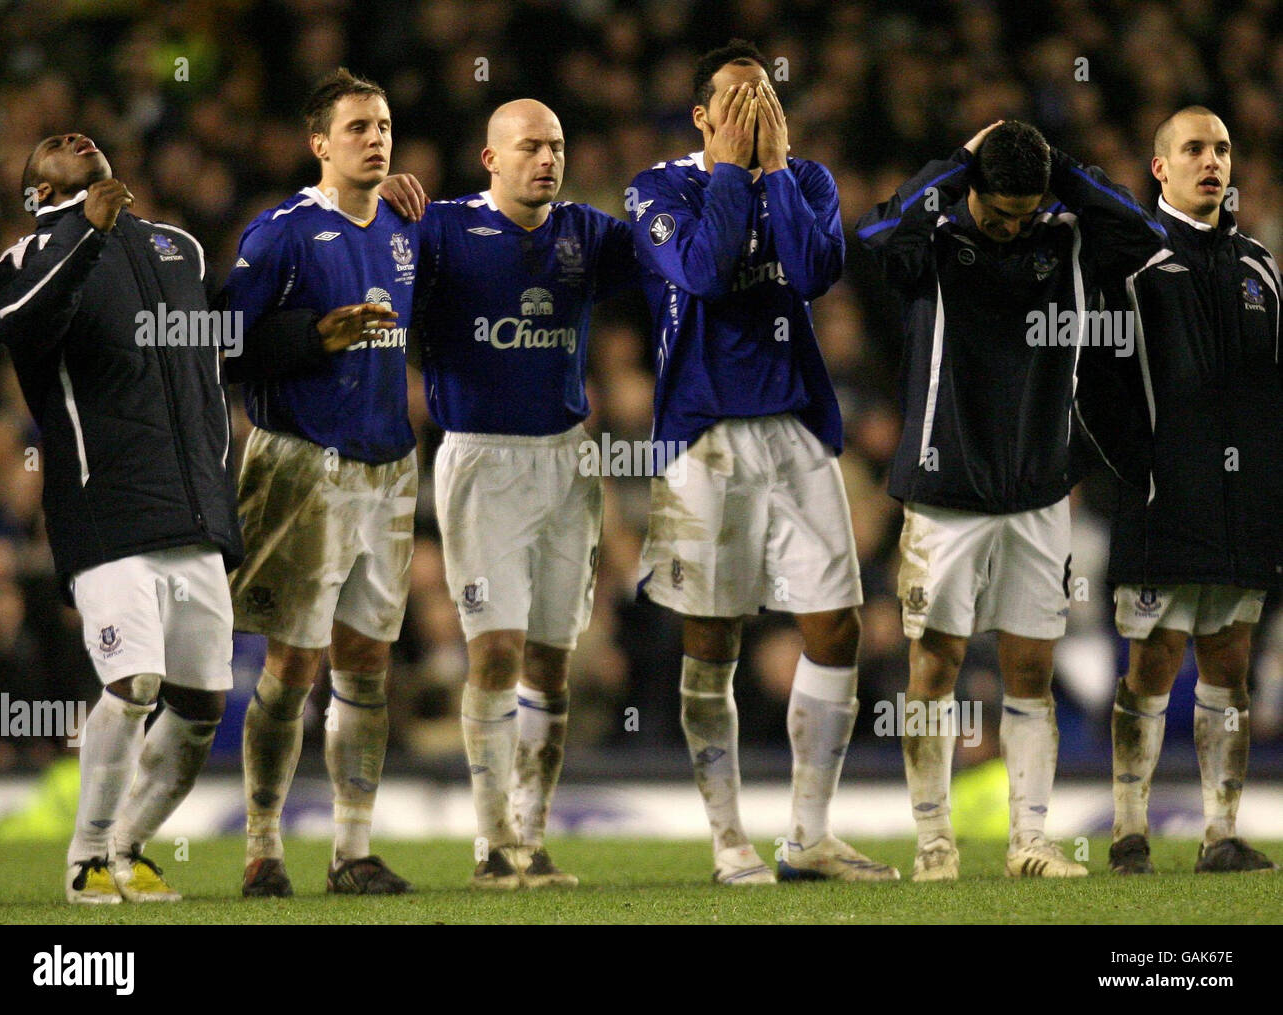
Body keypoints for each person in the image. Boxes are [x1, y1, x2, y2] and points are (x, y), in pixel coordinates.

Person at [856, 120, 1167, 880]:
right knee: (935, 667)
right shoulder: (931, 241)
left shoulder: (1062, 238)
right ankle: (935, 842)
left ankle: (1030, 840)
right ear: (970, 192)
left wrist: (1062, 171)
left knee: (1031, 668)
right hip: (944, 488)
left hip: (1035, 489)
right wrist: (955, 163)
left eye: (1026, 212)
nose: (1012, 226)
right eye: (998, 212)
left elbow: (1145, 230)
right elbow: (873, 233)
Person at [630, 40, 895, 886]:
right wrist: (738, 175)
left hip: (793, 429)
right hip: (704, 436)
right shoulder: (657, 189)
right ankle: (727, 838)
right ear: (704, 117)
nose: (756, 115)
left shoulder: (807, 180)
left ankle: (809, 834)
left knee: (837, 624)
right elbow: (705, 273)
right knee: (713, 638)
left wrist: (773, 168)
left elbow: (816, 270)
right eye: (738, 104)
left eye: (767, 99)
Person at [0, 133, 243, 903]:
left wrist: (304, 336)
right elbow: (23, 324)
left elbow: (217, 355)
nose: (71, 139)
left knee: (200, 704)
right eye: (50, 151)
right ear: (38, 193)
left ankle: (128, 848)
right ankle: (86, 856)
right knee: (134, 680)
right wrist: (85, 233)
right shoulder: (23, 260)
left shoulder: (178, 248)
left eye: (81, 138)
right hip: (105, 507)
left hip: (191, 505)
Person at [392, 98, 635, 888]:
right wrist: (376, 203)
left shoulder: (587, 234)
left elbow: (673, 271)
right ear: (490, 159)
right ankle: (492, 842)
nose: (548, 159)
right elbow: (370, 265)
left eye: (557, 146)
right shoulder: (442, 229)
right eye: (530, 146)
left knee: (553, 664)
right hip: (481, 463)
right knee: (493, 649)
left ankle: (532, 836)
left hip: (567, 464)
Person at [221, 68, 423, 897]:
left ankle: (353, 849)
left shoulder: (409, 228)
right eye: (357, 129)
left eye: (382, 125)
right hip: (305, 465)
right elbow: (224, 342)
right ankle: (262, 847)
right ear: (319, 145)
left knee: (366, 662)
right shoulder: (283, 233)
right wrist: (313, 336)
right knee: (293, 663)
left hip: (390, 469)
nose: (375, 139)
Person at [1082, 107, 1280, 875]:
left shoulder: (1259, 268)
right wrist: (1142, 468)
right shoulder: (1130, 263)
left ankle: (1219, 835)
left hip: (1240, 507)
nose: (1212, 161)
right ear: (1159, 166)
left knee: (1229, 659)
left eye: (1223, 149)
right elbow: (1093, 384)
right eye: (1194, 149)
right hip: (1163, 501)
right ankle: (1130, 830)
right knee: (1155, 657)